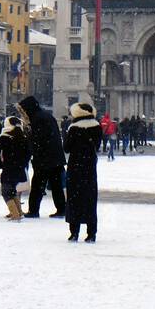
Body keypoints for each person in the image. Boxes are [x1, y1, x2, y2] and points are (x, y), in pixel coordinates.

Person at [19, 95, 66, 219]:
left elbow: (38, 140)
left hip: (45, 159)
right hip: (55, 157)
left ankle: (33, 210)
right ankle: (62, 209)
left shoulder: (37, 119)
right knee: (56, 186)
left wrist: (28, 138)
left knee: (37, 186)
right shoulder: (46, 116)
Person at [63, 102, 102, 242]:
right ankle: (91, 233)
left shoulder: (73, 128)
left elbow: (66, 148)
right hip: (90, 166)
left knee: (74, 198)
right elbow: (97, 146)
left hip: (75, 166)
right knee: (90, 198)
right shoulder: (97, 126)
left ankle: (74, 232)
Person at [0, 116, 31, 221]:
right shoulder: (23, 136)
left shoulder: (5, 137)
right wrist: (22, 164)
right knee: (12, 190)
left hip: (9, 168)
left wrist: (1, 164)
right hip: (19, 168)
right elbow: (28, 152)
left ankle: (15, 214)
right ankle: (19, 212)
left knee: (6, 191)